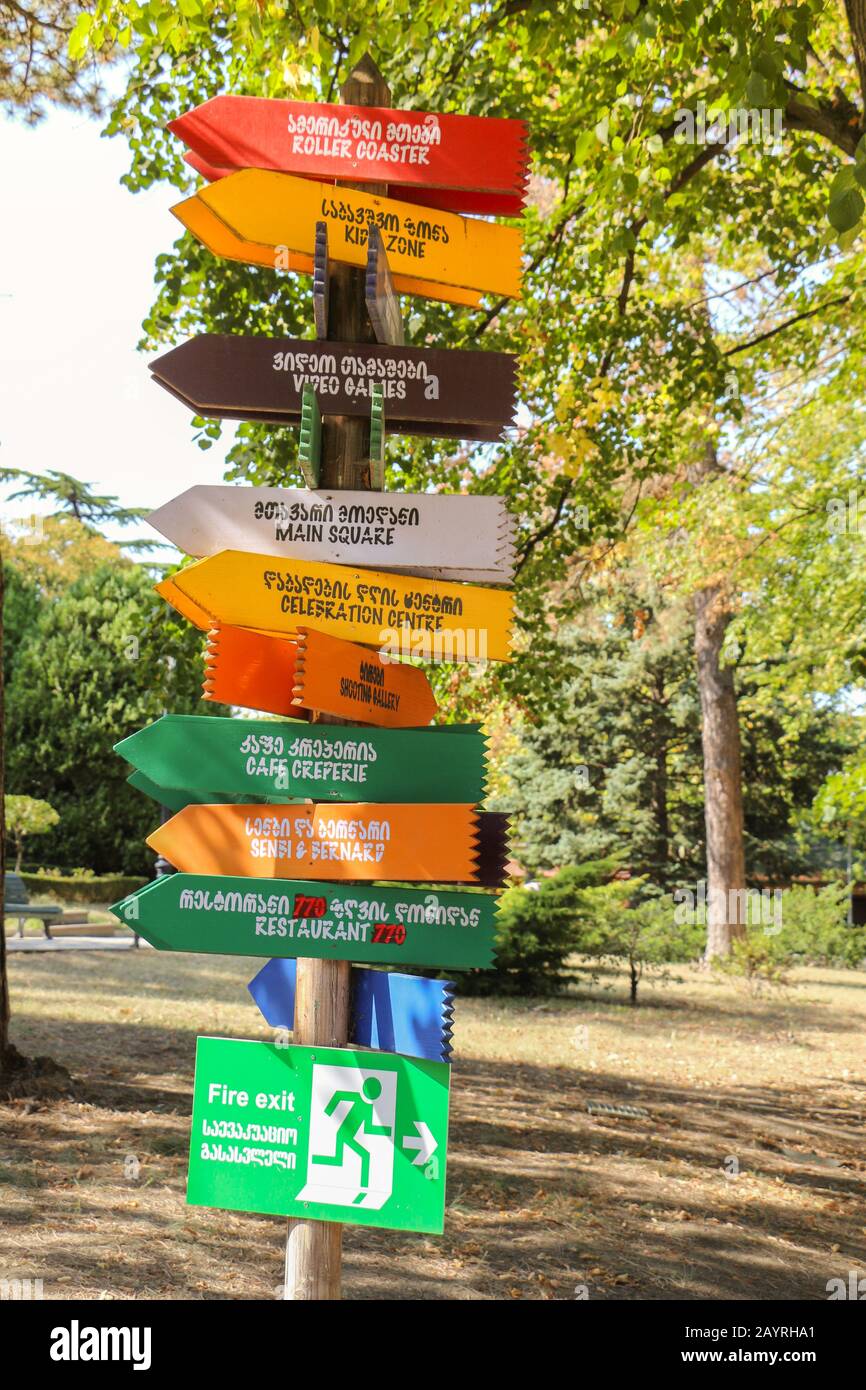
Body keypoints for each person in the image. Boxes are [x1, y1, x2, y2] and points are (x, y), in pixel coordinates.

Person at [311, 1077, 391, 1201]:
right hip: (343, 1135)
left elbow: (369, 1127)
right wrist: (329, 1110)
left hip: (344, 1135)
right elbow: (339, 1096)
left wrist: (387, 1131)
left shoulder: (366, 1106)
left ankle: (363, 1190)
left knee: (360, 1156)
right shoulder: (360, 1100)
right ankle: (360, 1189)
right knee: (352, 1157)